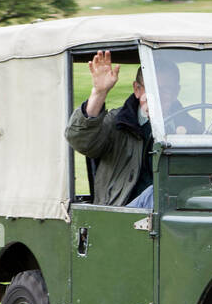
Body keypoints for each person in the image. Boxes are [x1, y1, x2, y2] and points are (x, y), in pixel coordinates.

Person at [64, 51, 181, 208]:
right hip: (122, 214)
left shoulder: (190, 126)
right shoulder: (117, 123)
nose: (160, 96)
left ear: (176, 93)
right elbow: (80, 139)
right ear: (138, 89)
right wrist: (99, 93)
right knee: (158, 192)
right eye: (153, 89)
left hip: (173, 211)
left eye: (166, 90)